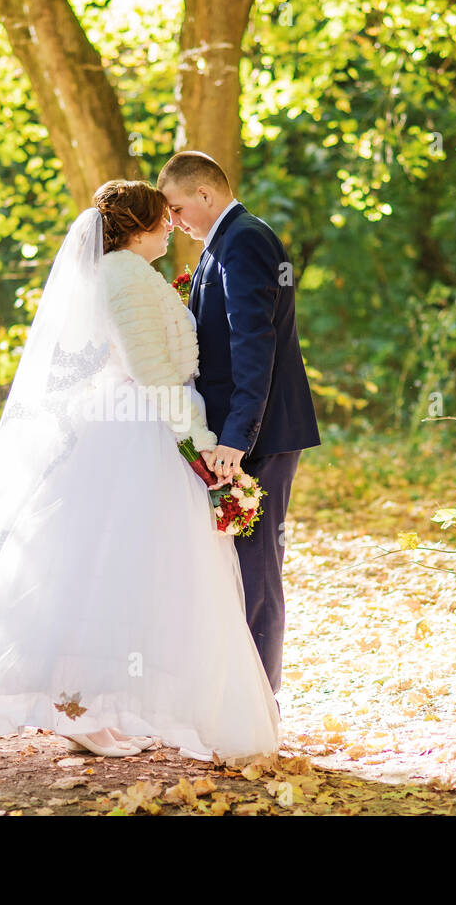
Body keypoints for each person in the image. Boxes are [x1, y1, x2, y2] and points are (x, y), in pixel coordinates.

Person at [0, 179, 280, 761]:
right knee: (111, 572)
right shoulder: (123, 276)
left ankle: (93, 706)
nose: (173, 225)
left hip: (148, 428)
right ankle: (78, 705)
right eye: (163, 217)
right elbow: (152, 372)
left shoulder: (130, 272)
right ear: (141, 225)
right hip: (144, 434)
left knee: (121, 575)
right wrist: (199, 446)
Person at [157, 151, 322, 698]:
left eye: (179, 208)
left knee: (257, 567)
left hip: (260, 435)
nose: (175, 221)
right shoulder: (225, 242)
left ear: (205, 195)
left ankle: (258, 701)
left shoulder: (245, 240)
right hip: (245, 432)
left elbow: (256, 345)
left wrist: (234, 438)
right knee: (239, 563)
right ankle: (238, 693)